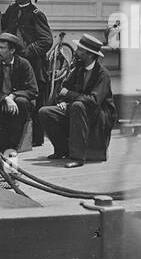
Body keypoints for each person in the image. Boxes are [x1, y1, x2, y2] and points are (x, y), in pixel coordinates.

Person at [0, 0, 54, 146]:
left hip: (34, 64)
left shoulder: (36, 14)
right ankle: (18, 139)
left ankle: (36, 140)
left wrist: (27, 52)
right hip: (15, 63)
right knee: (18, 100)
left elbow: (46, 40)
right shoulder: (12, 10)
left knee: (36, 102)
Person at [38, 34, 117, 168]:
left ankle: (78, 157)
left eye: (80, 50)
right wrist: (62, 100)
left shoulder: (103, 75)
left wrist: (69, 95)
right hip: (78, 109)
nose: (76, 52)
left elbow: (94, 100)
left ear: (90, 55)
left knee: (77, 106)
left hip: (98, 114)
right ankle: (62, 150)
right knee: (45, 112)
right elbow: (63, 89)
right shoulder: (78, 69)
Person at [0, 33, 39, 156]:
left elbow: (33, 90)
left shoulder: (24, 64)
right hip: (0, 101)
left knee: (21, 102)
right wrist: (4, 98)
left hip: (18, 103)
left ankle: (12, 147)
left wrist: (13, 96)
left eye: (2, 48)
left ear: (12, 50)